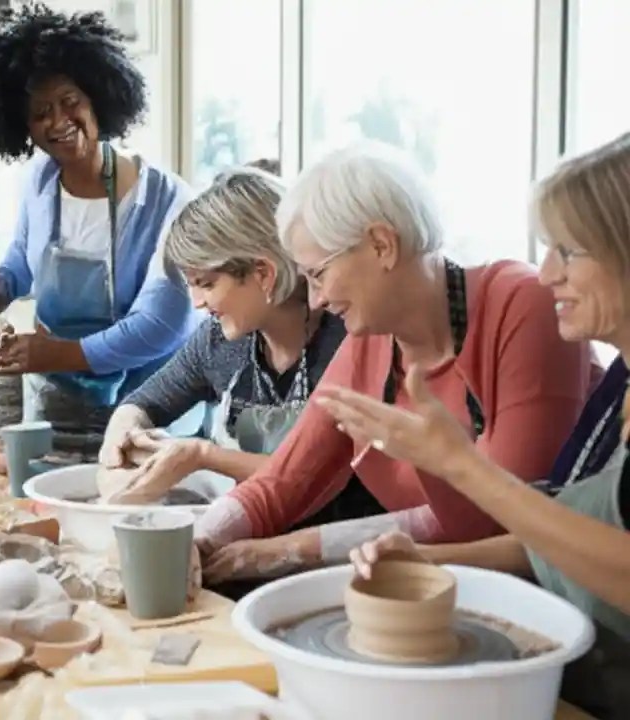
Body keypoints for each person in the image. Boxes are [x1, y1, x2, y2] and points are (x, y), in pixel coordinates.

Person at [190, 141, 594, 585]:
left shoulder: (524, 304)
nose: (316, 299)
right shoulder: (371, 341)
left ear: (381, 245)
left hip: (552, 595)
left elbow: (500, 521)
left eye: (318, 274)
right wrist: (200, 538)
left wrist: (294, 549)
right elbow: (284, 481)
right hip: (437, 585)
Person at [329, 133, 630, 719]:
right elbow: (558, 540)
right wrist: (433, 563)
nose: (546, 276)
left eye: (568, 251)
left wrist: (460, 464)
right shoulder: (619, 384)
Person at [0, 3, 199, 457]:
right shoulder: (39, 181)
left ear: (99, 97)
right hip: (57, 406)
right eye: (39, 113)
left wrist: (54, 354)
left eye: (70, 102)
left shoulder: (169, 201)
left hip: (149, 410)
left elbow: (163, 324)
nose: (58, 121)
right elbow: (20, 257)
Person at [98, 163, 380, 526]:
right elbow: (143, 403)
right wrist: (118, 440)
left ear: (263, 273)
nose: (198, 302)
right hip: (244, 537)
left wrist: (202, 455)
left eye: (207, 283)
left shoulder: (351, 340)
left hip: (337, 556)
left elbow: (320, 477)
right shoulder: (219, 342)